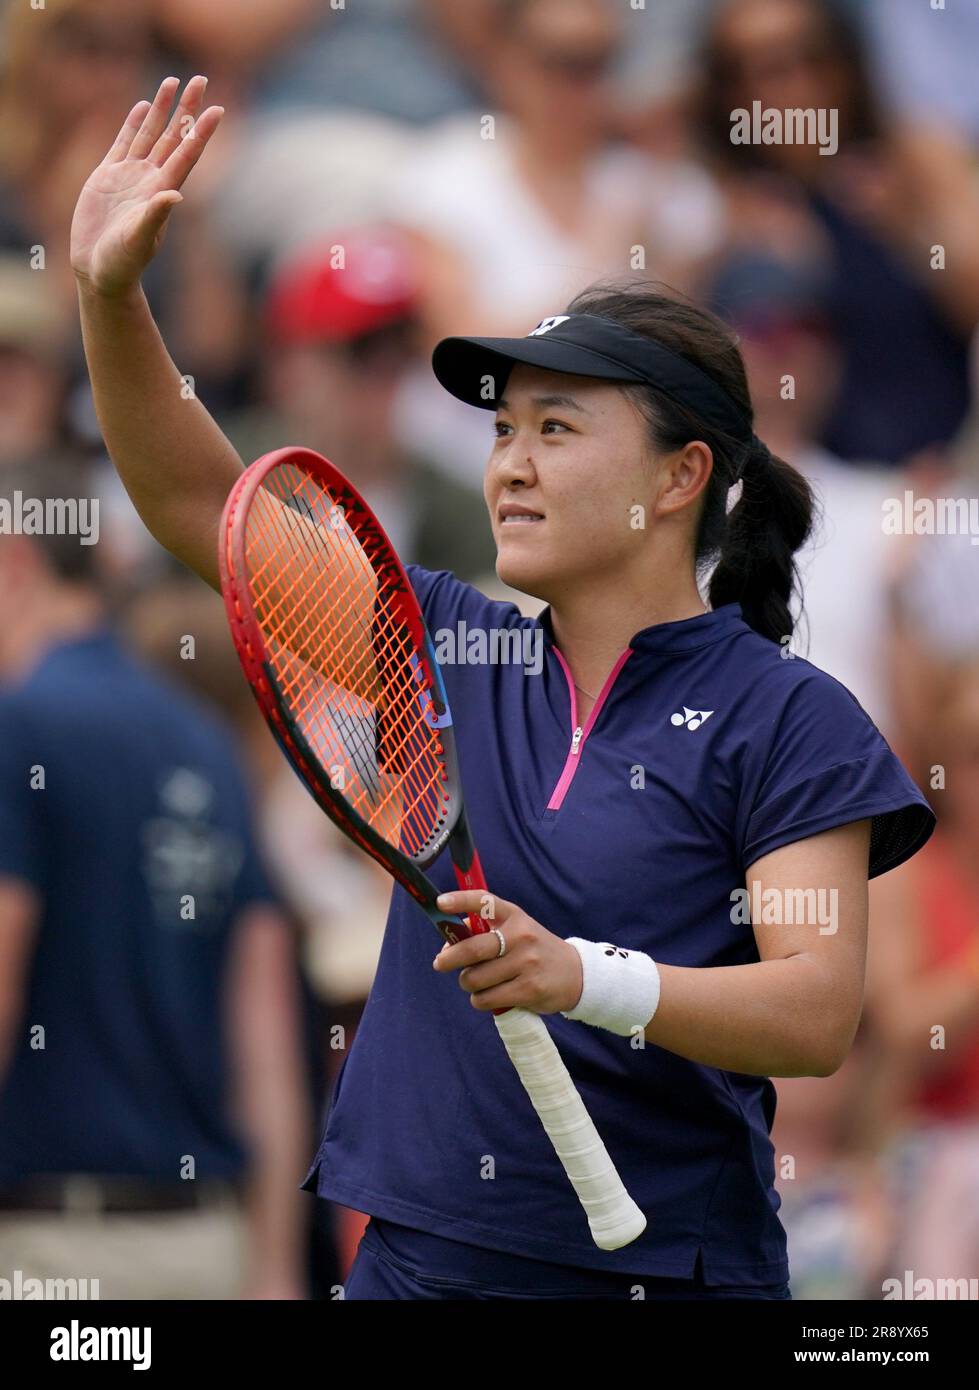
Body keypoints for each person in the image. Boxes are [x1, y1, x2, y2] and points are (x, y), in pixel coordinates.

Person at [71, 76, 935, 1300]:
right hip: (416, 1260)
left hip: (667, 1274)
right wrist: (111, 296)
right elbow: (195, 505)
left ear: (681, 473)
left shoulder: (792, 719)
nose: (510, 468)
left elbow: (813, 1010)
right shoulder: (435, 639)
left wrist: (580, 975)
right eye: (500, 433)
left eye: (557, 430)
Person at [0, 457, 312, 1300]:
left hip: (45, 1256)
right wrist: (275, 1267)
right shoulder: (205, 740)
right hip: (206, 1246)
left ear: (15, 561)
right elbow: (266, 1037)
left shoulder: (14, 724)